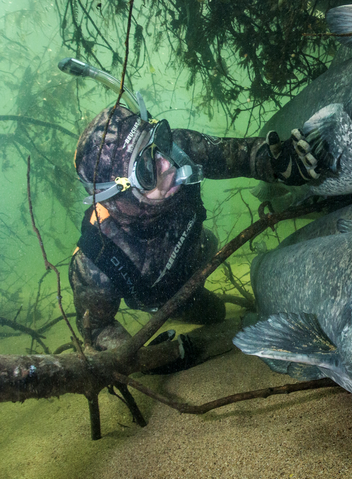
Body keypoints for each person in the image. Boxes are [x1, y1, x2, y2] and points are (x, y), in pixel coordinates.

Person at [69, 100, 319, 362]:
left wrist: (278, 162)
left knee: (211, 243)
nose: (167, 163)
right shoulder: (97, 258)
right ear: (119, 194)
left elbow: (240, 156)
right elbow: (97, 328)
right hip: (166, 294)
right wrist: (144, 358)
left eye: (159, 142)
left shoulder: (179, 150)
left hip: (199, 248)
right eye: (146, 168)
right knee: (215, 314)